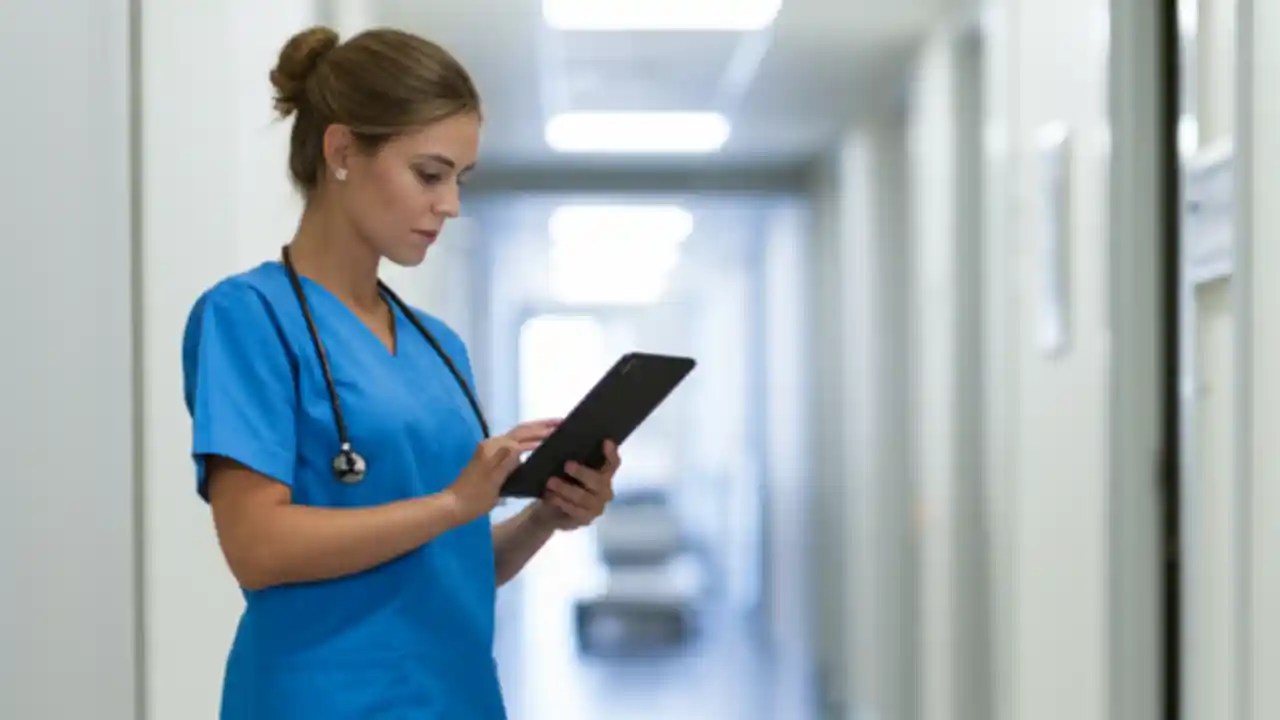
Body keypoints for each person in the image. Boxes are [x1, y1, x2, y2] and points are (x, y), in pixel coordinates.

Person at [181, 25, 619, 719]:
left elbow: (450, 566)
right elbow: (257, 548)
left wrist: (543, 517)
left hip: (457, 700)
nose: (449, 204)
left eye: (459, 180)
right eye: (430, 174)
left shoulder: (437, 345)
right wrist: (451, 504)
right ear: (342, 151)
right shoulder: (249, 317)